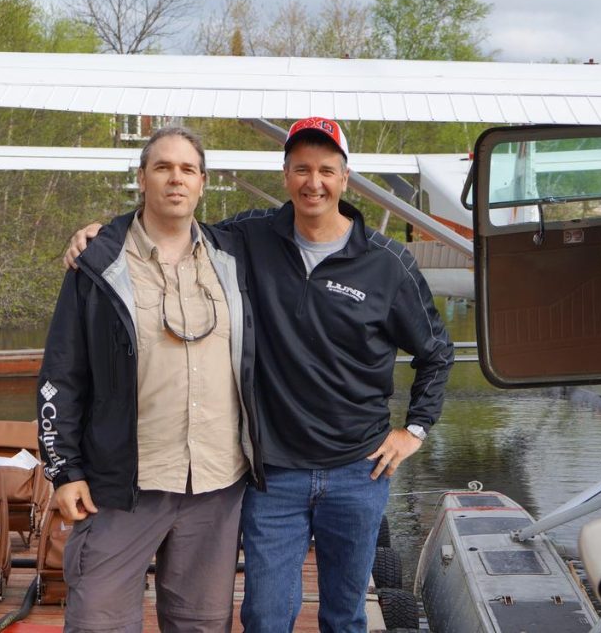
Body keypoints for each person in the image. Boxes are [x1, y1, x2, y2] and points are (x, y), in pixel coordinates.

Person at [66, 117, 454, 633]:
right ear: (285, 175)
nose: (313, 182)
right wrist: (103, 234)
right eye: (301, 169)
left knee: (345, 615)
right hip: (274, 474)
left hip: (358, 471)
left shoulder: (387, 263)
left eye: (326, 170)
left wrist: (415, 430)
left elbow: (437, 352)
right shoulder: (247, 238)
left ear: (345, 178)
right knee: (266, 616)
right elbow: (172, 223)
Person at [39, 127, 262, 633]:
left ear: (203, 182)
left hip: (216, 483)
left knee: (200, 625)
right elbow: (61, 375)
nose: (175, 179)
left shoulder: (235, 256)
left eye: (187, 169)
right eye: (162, 168)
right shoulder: (98, 261)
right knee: (97, 622)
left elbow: (309, 216)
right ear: (142, 179)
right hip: (121, 485)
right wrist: (63, 470)